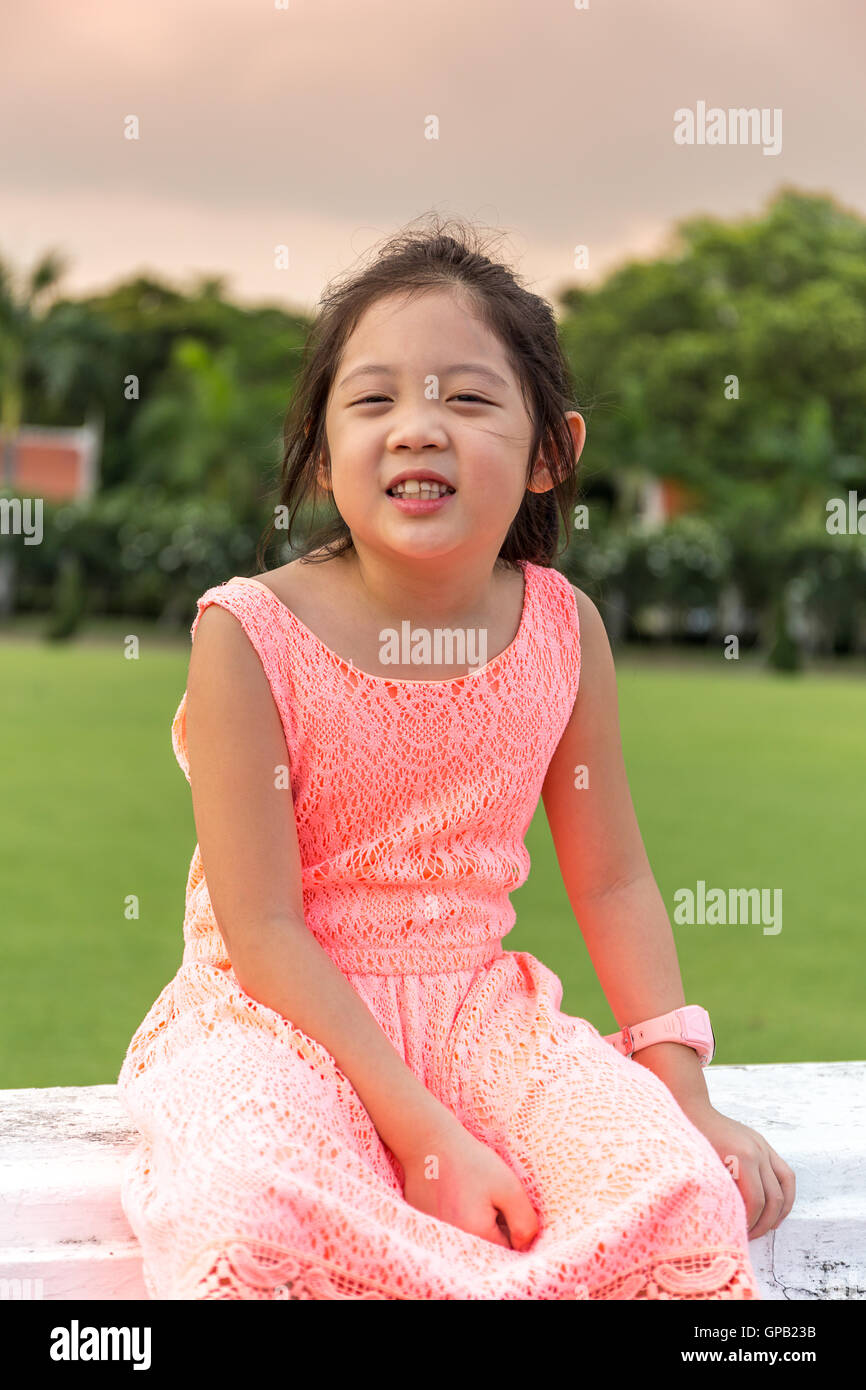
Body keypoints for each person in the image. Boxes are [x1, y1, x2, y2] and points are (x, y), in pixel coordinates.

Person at [116, 216, 795, 1300]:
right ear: (321, 450)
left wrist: (682, 1088)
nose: (416, 428)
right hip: (273, 1022)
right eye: (373, 399)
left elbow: (612, 878)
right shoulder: (246, 632)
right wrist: (427, 1140)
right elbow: (264, 932)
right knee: (245, 1212)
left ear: (549, 453)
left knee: (675, 1193)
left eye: (466, 398)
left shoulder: (562, 629)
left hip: (482, 1019)